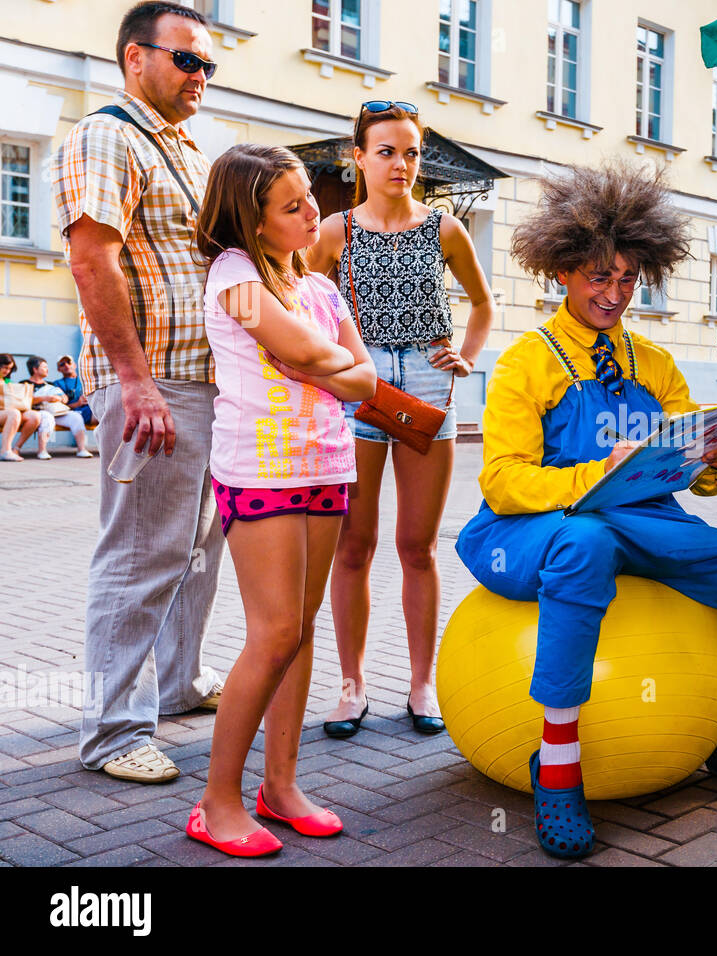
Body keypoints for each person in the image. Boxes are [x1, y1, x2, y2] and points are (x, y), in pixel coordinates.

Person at [456, 163, 717, 859]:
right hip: (530, 532)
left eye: (628, 279)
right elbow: (502, 483)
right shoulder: (522, 363)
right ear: (562, 270)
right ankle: (557, 766)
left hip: (646, 523)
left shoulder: (654, 361)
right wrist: (599, 472)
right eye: (599, 277)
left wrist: (716, 461)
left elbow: (691, 479)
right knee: (586, 543)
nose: (615, 294)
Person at [188, 144, 376, 857]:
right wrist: (330, 365)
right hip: (260, 472)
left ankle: (281, 786)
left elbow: (359, 378)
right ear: (253, 220)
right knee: (271, 636)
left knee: (298, 630)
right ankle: (216, 803)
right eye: (292, 206)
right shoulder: (232, 275)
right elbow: (312, 357)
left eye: (311, 198)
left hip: (326, 464)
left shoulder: (322, 288)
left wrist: (327, 364)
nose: (313, 214)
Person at [53, 1, 224, 782]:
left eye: (208, 66)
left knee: (194, 548)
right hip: (155, 385)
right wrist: (134, 382)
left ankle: (179, 684)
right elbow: (94, 262)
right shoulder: (108, 137)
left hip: (206, 383)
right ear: (136, 58)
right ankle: (114, 731)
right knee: (137, 555)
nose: (201, 77)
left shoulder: (183, 148)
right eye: (188, 60)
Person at [305, 101, 493, 738]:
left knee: (419, 545)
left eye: (410, 152)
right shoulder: (335, 231)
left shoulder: (443, 227)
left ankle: (421, 684)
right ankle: (352, 686)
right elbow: (301, 303)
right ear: (358, 157)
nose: (401, 164)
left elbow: (482, 304)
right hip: (358, 384)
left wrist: (464, 359)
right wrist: (327, 363)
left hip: (426, 386)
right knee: (352, 545)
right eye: (386, 151)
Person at [21, 356, 94, 459]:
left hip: (56, 412)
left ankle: (81, 449)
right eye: (44, 367)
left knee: (75, 417)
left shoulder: (50, 384)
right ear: (35, 369)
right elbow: (24, 401)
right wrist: (45, 398)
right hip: (37, 412)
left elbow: (64, 399)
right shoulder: (25, 384)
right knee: (47, 417)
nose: (47, 369)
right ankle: (42, 451)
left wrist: (62, 398)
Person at [0, 353, 43, 462]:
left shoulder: (7, 382)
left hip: (7, 413)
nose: (7, 371)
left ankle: (16, 449)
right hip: (6, 413)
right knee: (14, 413)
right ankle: (5, 451)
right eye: (5, 367)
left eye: (10, 368)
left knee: (34, 416)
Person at [51, 355, 98, 428]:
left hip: (92, 408)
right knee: (100, 415)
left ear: (75, 365)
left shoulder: (87, 380)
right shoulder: (57, 384)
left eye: (69, 362)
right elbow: (57, 408)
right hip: (73, 413)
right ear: (58, 369)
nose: (66, 365)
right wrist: (77, 404)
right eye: (62, 364)